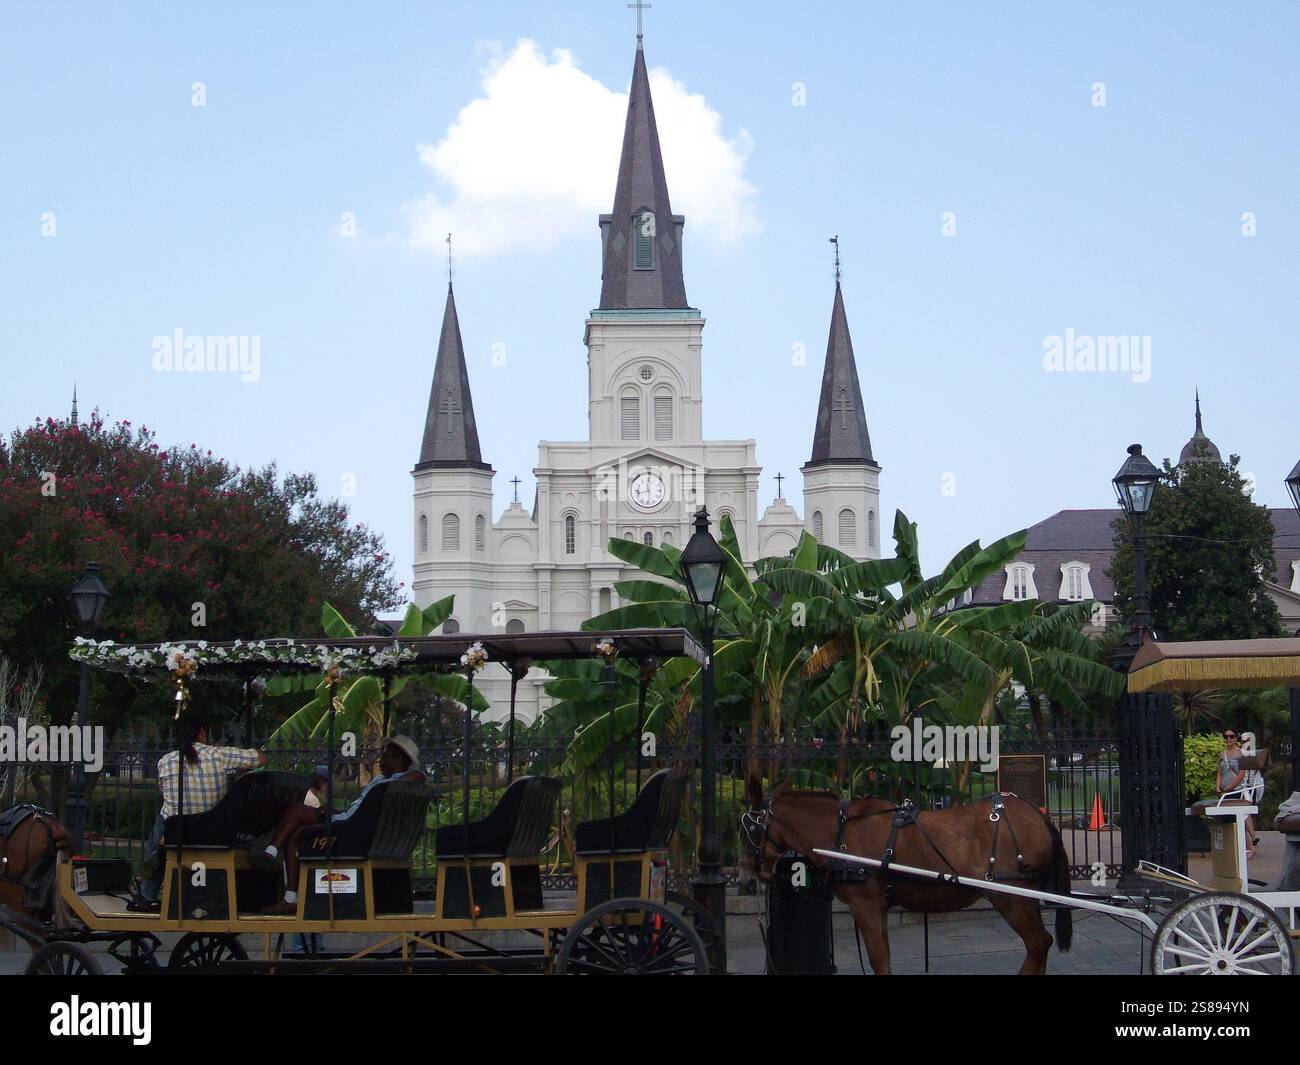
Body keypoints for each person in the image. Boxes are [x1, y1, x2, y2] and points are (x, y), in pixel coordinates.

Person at [252, 736, 424, 915]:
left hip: (351, 832)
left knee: (297, 818)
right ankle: (286, 886)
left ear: (399, 759)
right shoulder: (383, 779)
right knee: (297, 822)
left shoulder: (404, 779)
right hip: (351, 823)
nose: (380, 761)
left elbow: (416, 776)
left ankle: (272, 855)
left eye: (386, 756)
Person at [135, 719, 264, 906]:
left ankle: (148, 890)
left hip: (176, 832)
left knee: (164, 817)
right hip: (210, 831)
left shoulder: (165, 761)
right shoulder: (220, 755)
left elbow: (164, 792)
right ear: (202, 732)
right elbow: (260, 758)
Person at [1217, 728, 1257, 858]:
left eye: (1231, 736)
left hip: (1237, 789)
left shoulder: (1241, 753)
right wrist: (1218, 787)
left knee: (1241, 816)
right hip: (1224, 791)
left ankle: (1250, 845)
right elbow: (1220, 773)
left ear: (1235, 738)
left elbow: (1241, 773)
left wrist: (1230, 787)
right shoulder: (1222, 754)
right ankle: (1248, 841)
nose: (1228, 739)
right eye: (1226, 736)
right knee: (1232, 818)